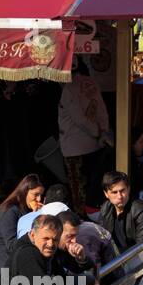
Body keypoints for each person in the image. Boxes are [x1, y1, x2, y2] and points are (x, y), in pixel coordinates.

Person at [58, 60, 112, 214]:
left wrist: (96, 131)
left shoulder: (69, 88)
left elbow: (79, 118)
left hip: (75, 148)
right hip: (94, 145)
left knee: (79, 192)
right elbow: (102, 109)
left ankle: (82, 223)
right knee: (93, 187)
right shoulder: (91, 82)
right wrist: (103, 131)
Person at [0, 174, 43, 277]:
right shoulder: (8, 211)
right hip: (4, 271)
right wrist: (33, 217)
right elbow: (12, 245)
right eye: (35, 194)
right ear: (24, 192)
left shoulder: (24, 210)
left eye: (41, 195)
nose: (39, 199)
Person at [97, 170, 143, 254]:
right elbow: (101, 240)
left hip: (136, 258)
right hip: (115, 257)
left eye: (122, 191)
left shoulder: (141, 210)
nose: (119, 196)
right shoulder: (106, 208)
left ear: (128, 189)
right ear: (106, 194)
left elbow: (142, 247)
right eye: (114, 192)